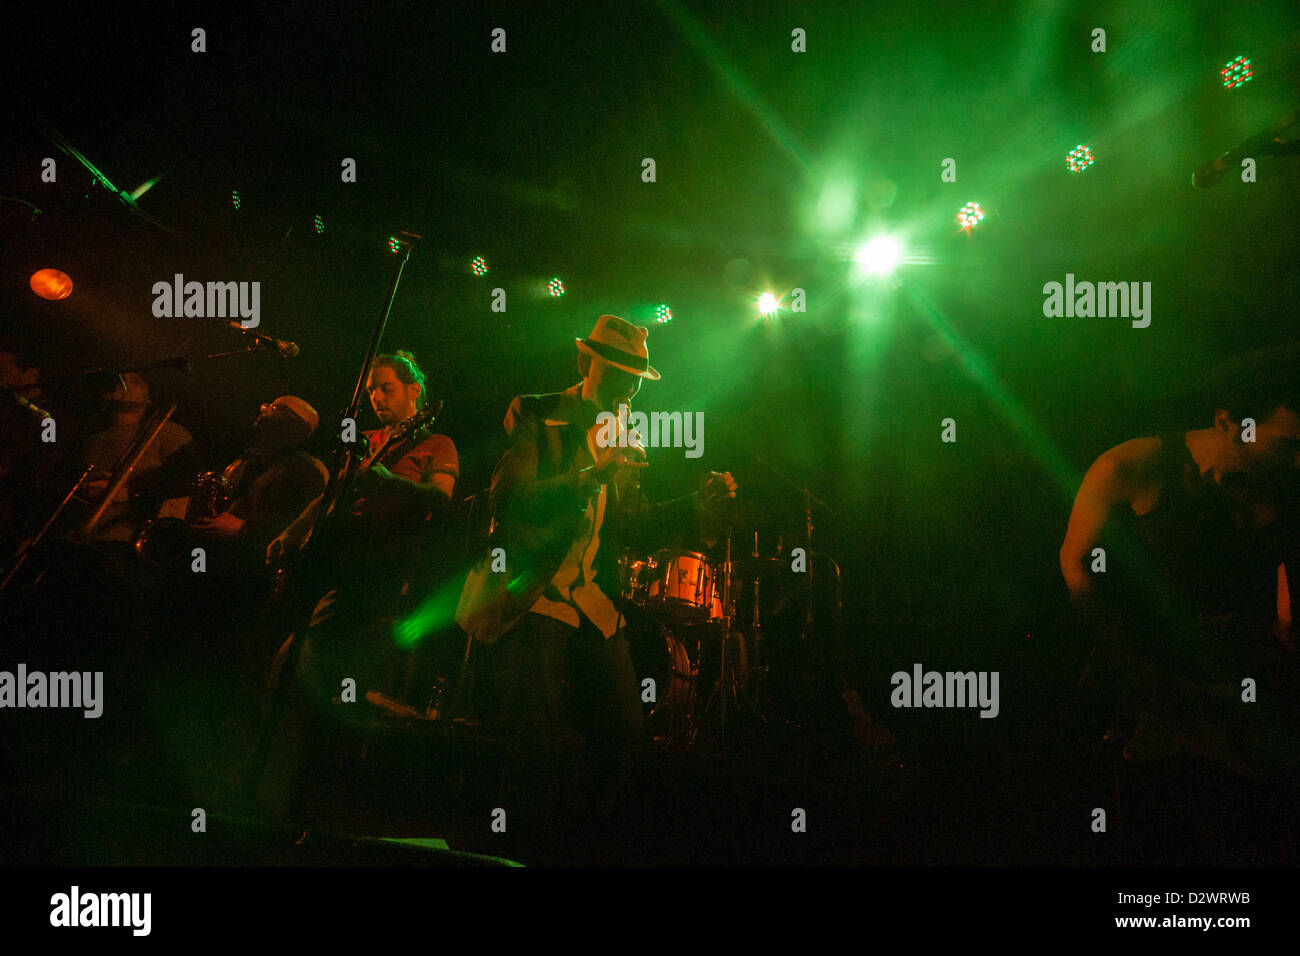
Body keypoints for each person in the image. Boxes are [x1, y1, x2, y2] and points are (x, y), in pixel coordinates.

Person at [457, 313, 736, 858]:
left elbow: (629, 524)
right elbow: (510, 504)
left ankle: (568, 843)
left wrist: (693, 508)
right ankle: (512, 849)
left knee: (626, 740)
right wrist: (590, 478)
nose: (629, 388)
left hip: (589, 603)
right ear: (588, 364)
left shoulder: (624, 435)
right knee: (534, 754)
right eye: (619, 374)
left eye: (637, 377)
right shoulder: (538, 411)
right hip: (531, 595)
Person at [1060, 355, 1300, 772]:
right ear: (1227, 421)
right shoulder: (1129, 465)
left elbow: (1281, 584)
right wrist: (1134, 670)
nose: (1298, 460)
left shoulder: (1280, 484)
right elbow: (1074, 564)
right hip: (1156, 687)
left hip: (1238, 683)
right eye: (1288, 445)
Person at [79, 371, 199, 543]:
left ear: (149, 399)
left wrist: (130, 491)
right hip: (82, 536)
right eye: (121, 379)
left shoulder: (168, 432)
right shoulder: (92, 439)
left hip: (127, 540)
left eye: (136, 382)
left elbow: (190, 479)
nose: (124, 382)